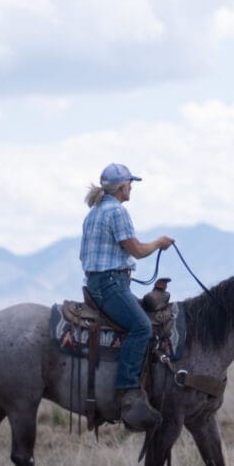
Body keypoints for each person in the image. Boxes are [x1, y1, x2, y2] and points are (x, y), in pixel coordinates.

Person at [81, 163, 174, 431]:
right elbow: (135, 249)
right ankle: (128, 391)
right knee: (142, 327)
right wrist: (158, 243)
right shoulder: (117, 212)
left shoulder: (95, 212)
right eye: (130, 183)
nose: (132, 187)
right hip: (111, 285)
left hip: (100, 282)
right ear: (122, 187)